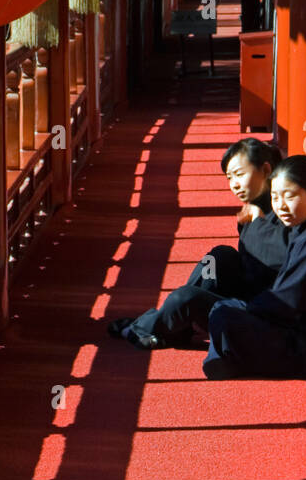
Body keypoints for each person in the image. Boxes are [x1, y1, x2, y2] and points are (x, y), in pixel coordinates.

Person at [108, 137, 286, 350]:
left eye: (239, 175)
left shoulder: (287, 212)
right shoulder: (252, 211)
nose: (234, 185)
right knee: (217, 257)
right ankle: (172, 323)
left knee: (186, 297)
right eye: (229, 178)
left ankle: (145, 327)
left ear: (266, 170)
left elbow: (275, 261)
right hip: (249, 291)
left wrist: (258, 222)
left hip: (264, 313)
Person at [203, 156, 306, 380]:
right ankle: (227, 356)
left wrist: (244, 309)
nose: (281, 206)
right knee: (223, 308)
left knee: (225, 315)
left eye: (290, 196)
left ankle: (228, 360)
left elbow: (288, 302)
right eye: (275, 197)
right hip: (305, 330)